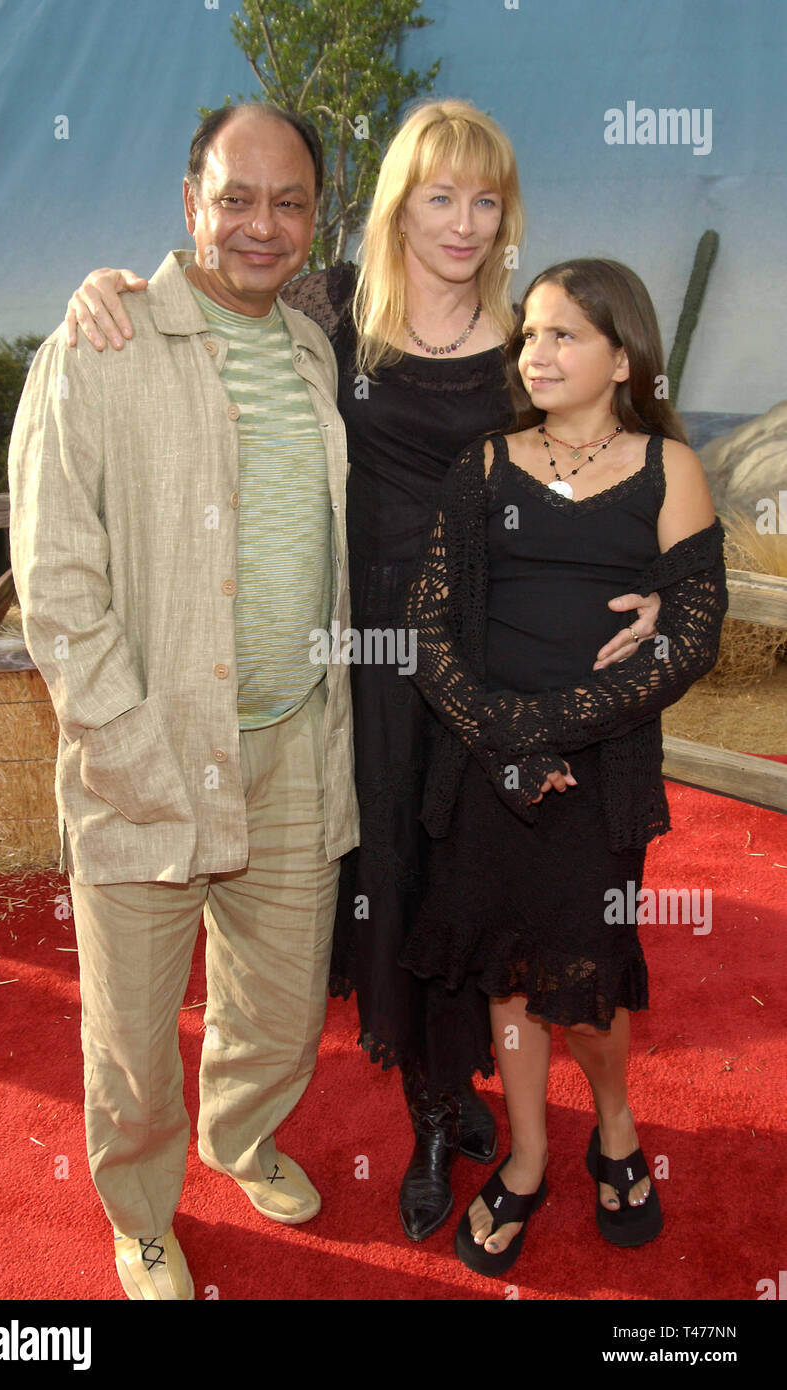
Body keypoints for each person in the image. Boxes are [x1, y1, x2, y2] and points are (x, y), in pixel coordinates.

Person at [64, 100, 660, 1243]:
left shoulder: (528, 334)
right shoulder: (329, 309)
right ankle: (437, 1108)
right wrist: (112, 286)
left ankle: (488, 1103)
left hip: (492, 659)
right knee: (394, 877)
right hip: (367, 662)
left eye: (486, 200)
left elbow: (615, 430)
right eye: (439, 194)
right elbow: (211, 288)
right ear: (396, 203)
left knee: (481, 887)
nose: (464, 221)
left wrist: (656, 576)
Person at [9, 104, 358, 1300]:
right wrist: (127, 752)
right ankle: (143, 1218)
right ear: (189, 202)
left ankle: (242, 1136)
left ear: (316, 217)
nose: (261, 226)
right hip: (146, 759)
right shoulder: (95, 348)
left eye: (290, 202)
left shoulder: (312, 353)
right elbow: (56, 591)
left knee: (282, 997)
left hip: (296, 745)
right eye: (235, 198)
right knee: (133, 1031)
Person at [402, 258, 727, 1276]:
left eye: (561, 336)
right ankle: (533, 1156)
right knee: (506, 979)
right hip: (488, 763)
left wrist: (561, 729)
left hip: (600, 772)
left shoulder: (668, 467)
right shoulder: (484, 462)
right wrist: (505, 736)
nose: (534, 353)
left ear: (620, 356)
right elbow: (429, 626)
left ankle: (617, 1124)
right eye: (527, 335)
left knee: (582, 985)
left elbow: (694, 632)